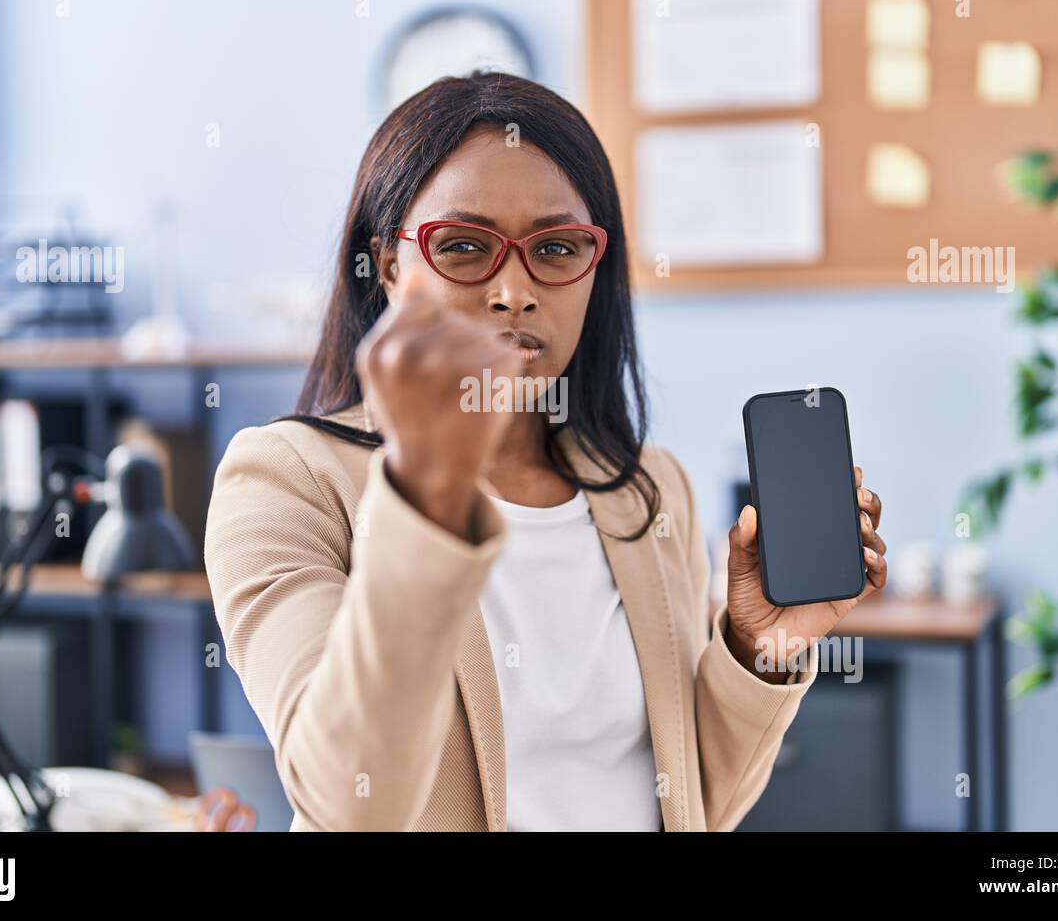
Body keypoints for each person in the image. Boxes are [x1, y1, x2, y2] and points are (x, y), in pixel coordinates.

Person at [203, 72, 887, 831]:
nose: (514, 291)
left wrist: (759, 646)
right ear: (389, 267)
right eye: (464, 247)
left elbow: (700, 806)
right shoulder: (282, 483)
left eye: (557, 248)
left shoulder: (648, 490)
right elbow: (350, 800)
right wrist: (429, 487)